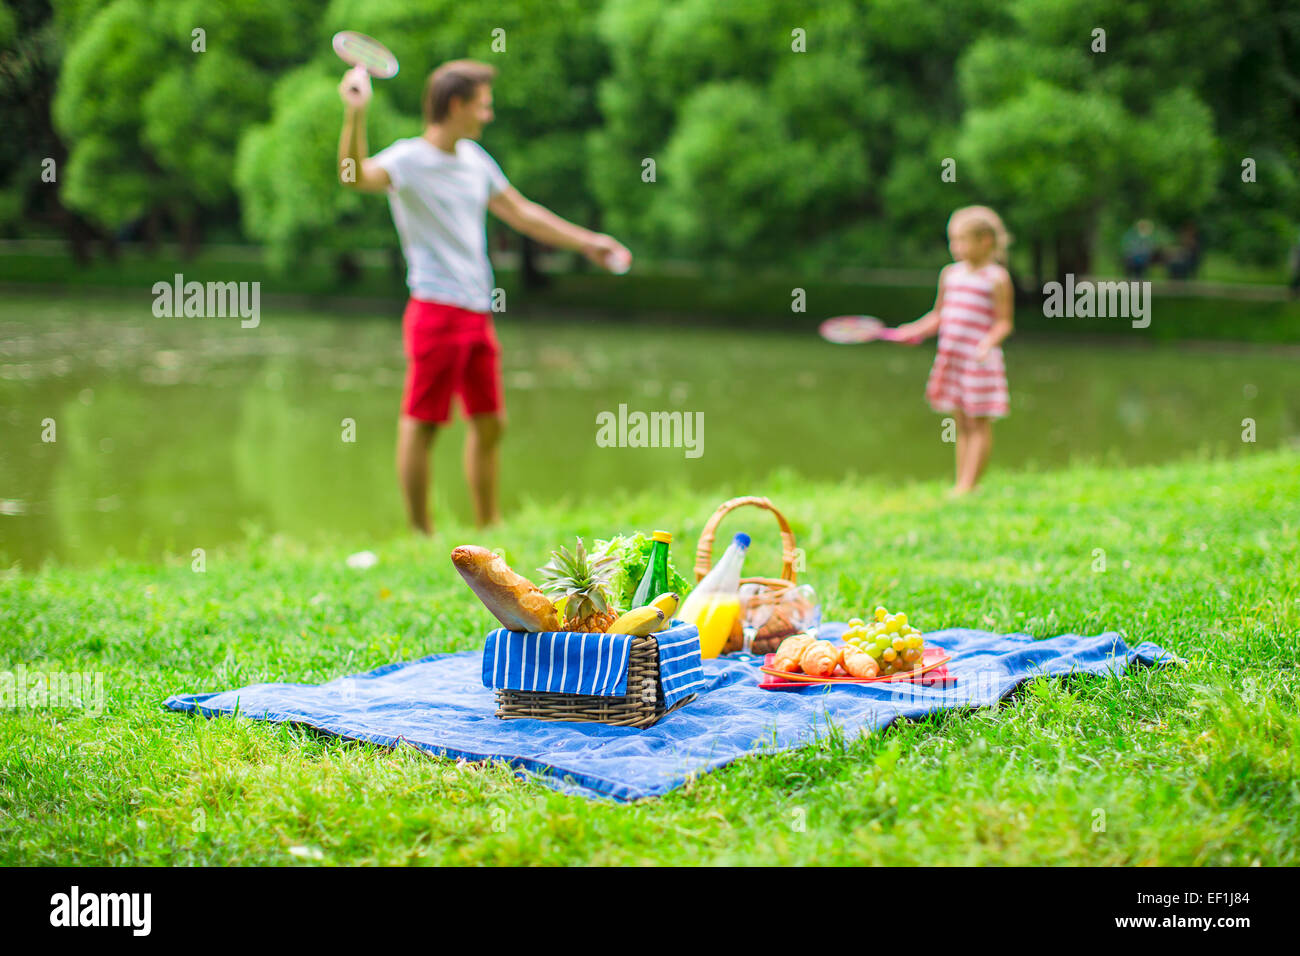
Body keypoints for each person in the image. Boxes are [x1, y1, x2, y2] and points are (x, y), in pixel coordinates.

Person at [337, 60, 631, 534]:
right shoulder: (408, 160)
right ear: (456, 105)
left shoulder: (475, 159)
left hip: (477, 311)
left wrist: (588, 241)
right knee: (423, 423)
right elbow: (354, 175)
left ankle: (488, 523)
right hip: (434, 309)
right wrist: (355, 113)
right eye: (483, 105)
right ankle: (419, 531)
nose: (488, 115)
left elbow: (524, 213)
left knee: (491, 422)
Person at [894, 206, 1013, 496]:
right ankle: (962, 483)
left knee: (979, 423)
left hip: (980, 362)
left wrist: (986, 344)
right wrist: (913, 330)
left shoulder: (996, 278)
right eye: (952, 239)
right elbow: (938, 315)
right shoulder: (950, 274)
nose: (954, 246)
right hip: (953, 359)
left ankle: (969, 485)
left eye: (961, 240)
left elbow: (1004, 322)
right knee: (961, 423)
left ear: (985, 240)